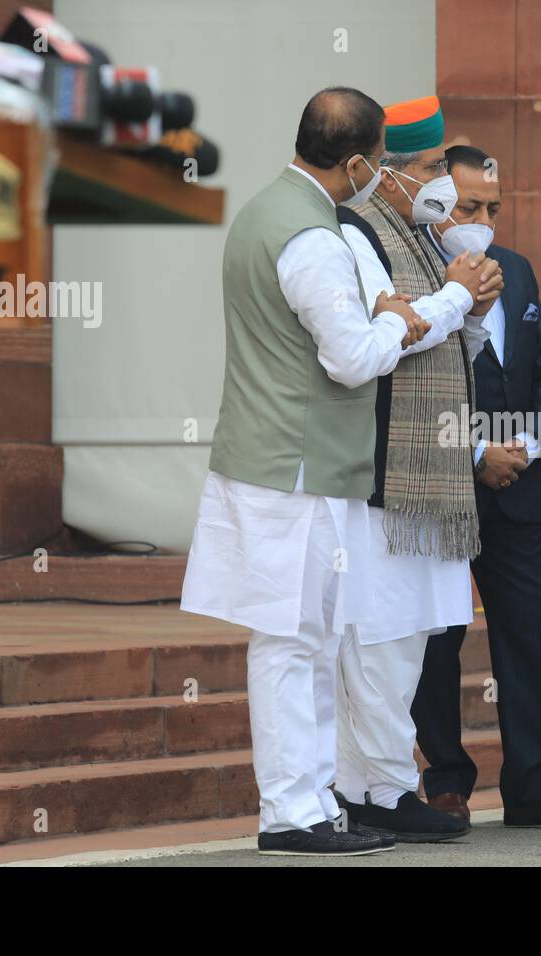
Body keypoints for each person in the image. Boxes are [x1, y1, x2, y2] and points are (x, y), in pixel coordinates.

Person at [179, 87, 428, 857]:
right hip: (299, 468)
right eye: (379, 161)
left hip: (279, 462)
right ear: (356, 161)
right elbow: (352, 360)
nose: (379, 173)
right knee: (296, 644)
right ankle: (294, 814)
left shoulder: (263, 209)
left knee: (301, 642)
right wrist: (397, 315)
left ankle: (310, 803)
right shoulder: (314, 237)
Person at [411, 145, 541, 827]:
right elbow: (400, 390)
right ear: (437, 205)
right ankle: (445, 780)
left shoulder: (518, 270)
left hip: (518, 489)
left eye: (493, 208)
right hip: (441, 484)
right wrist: (472, 455)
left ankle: (534, 782)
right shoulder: (410, 273)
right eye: (469, 208)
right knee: (437, 635)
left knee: (531, 634)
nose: (484, 222)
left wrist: (522, 446)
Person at [329, 96, 503, 842]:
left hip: (432, 472)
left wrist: (466, 306)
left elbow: (435, 331)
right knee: (382, 636)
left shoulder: (422, 234)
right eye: (432, 166)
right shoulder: (358, 232)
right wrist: (459, 294)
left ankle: (374, 784)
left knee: (413, 634)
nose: (441, 179)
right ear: (391, 173)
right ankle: (381, 788)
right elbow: (385, 334)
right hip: (387, 465)